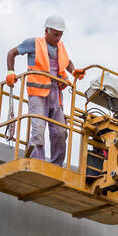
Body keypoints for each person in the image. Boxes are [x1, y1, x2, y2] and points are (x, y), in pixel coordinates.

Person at [5, 15, 85, 166]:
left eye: (60, 35)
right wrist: (10, 72)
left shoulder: (60, 47)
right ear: (46, 31)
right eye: (55, 34)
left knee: (61, 132)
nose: (58, 38)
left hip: (56, 94)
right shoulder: (34, 43)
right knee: (38, 130)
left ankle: (56, 165)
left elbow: (67, 62)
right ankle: (37, 163)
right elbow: (11, 53)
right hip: (38, 93)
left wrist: (73, 71)